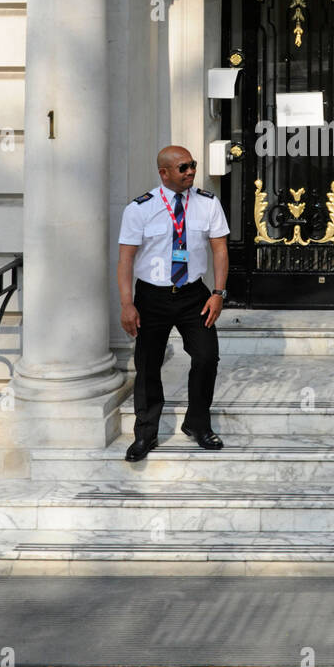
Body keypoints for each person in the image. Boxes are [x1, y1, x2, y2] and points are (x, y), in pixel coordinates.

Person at [117, 146, 230, 462]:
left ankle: (197, 423)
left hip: (194, 294)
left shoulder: (207, 203)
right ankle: (146, 434)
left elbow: (219, 250)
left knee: (207, 357)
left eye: (192, 165)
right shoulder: (140, 209)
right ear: (163, 172)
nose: (191, 172)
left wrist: (218, 293)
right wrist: (127, 303)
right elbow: (125, 259)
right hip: (152, 297)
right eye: (183, 168)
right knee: (148, 366)